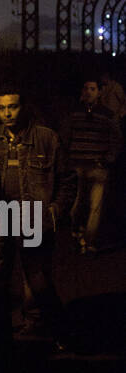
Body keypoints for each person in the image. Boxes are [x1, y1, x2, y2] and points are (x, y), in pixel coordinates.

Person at [0, 87, 75, 363]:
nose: (7, 113)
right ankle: (0, 339)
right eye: (1, 108)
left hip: (33, 216)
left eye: (12, 107)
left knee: (38, 279)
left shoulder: (46, 138)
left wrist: (56, 210)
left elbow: (67, 179)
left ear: (24, 107)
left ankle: (59, 332)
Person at [60, 77, 121, 254]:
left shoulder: (107, 114)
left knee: (95, 206)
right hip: (77, 165)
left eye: (92, 89)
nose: (88, 92)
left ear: (99, 92)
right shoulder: (74, 113)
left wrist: (108, 158)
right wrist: (67, 159)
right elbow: (65, 136)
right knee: (76, 204)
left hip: (97, 166)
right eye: (86, 88)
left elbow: (116, 139)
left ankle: (88, 241)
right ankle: (77, 233)